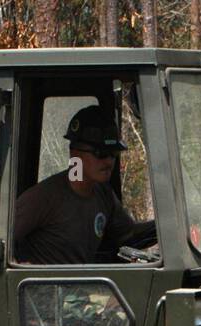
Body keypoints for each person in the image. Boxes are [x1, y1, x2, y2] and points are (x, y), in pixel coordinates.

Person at [13, 105, 148, 264]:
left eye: (114, 153)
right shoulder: (43, 198)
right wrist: (21, 271)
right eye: (101, 153)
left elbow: (128, 234)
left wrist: (168, 229)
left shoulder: (104, 195)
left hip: (82, 285)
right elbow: (0, 244)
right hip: (45, 287)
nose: (109, 161)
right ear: (75, 152)